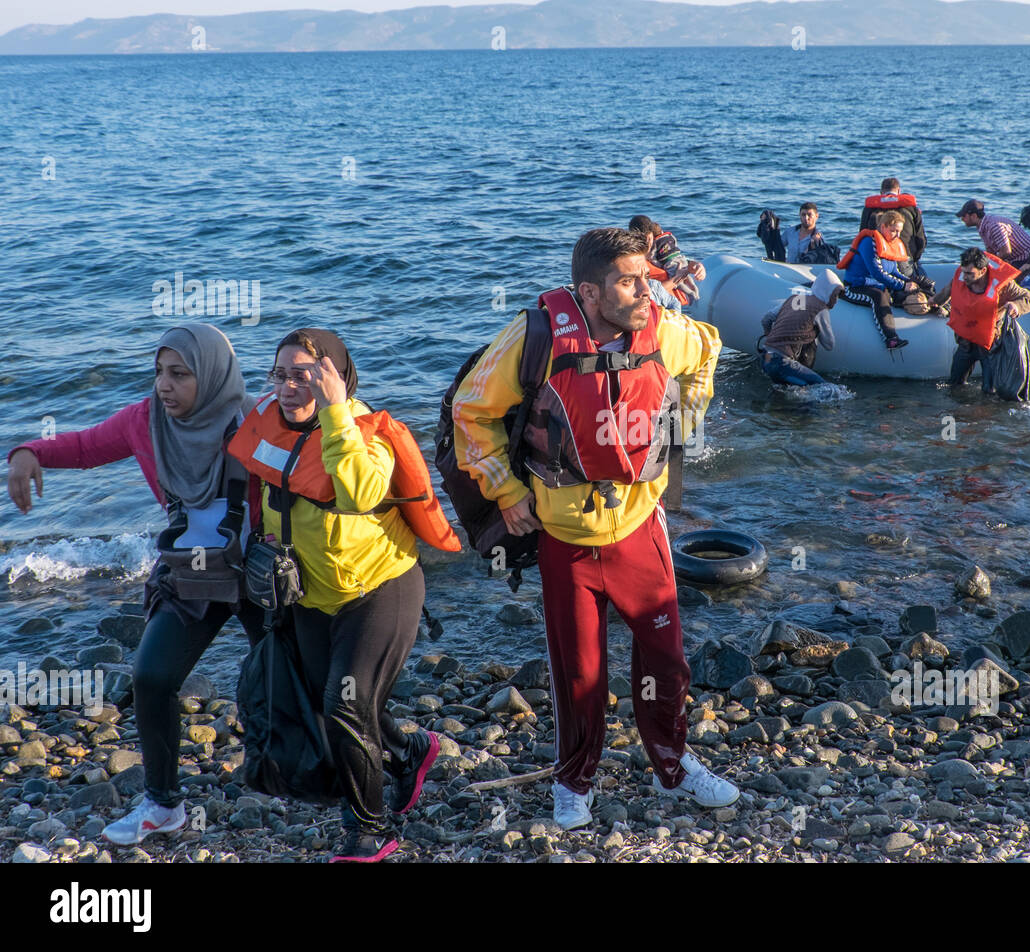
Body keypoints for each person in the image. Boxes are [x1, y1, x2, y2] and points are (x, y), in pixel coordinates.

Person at [451, 227, 737, 832]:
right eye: (628, 282)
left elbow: (708, 347)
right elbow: (470, 411)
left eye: (646, 277)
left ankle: (674, 763)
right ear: (589, 290)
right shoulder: (534, 337)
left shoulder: (662, 327)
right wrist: (506, 492)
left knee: (667, 661)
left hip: (639, 527)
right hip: (566, 541)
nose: (645, 291)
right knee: (579, 674)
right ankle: (573, 780)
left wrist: (687, 418)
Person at [6, 324, 264, 847]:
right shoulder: (145, 422)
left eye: (180, 374)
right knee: (150, 676)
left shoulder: (257, 422)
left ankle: (356, 773)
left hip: (257, 571)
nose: (164, 385)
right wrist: (28, 452)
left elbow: (320, 468)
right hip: (189, 574)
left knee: (296, 678)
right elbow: (83, 446)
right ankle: (163, 804)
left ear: (212, 377)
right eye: (159, 373)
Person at [227, 328, 460, 862]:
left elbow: (360, 493)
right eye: (281, 374)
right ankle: (409, 752)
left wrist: (334, 413)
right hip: (310, 597)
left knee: (344, 701)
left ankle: (367, 832)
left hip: (381, 585)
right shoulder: (268, 423)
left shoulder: (367, 433)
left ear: (336, 376)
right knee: (338, 704)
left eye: (305, 374)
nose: (289, 386)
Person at [931, 248, 1030, 392]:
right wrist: (933, 302)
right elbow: (946, 292)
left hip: (990, 347)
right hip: (965, 344)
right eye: (964, 272)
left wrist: (1016, 306)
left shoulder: (1003, 286)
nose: (965, 276)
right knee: (954, 385)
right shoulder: (961, 278)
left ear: (982, 271)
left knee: (989, 391)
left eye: (970, 273)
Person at [838, 209, 921, 349]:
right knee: (878, 296)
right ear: (883, 227)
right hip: (855, 287)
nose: (897, 235)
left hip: (877, 284)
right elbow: (878, 273)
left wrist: (909, 281)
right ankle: (891, 339)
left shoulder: (889, 244)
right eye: (894, 231)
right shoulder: (868, 243)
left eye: (899, 231)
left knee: (896, 291)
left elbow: (894, 271)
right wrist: (902, 285)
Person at [758, 270, 844, 386]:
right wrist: (815, 330)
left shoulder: (797, 299)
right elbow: (829, 345)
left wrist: (770, 335)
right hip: (782, 362)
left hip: (765, 358)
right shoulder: (820, 308)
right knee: (823, 388)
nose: (836, 300)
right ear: (827, 291)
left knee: (787, 390)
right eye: (835, 295)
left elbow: (766, 319)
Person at [628, 216, 706, 307]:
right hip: (655, 307)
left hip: (673, 304)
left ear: (652, 235)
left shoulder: (657, 249)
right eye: (641, 240)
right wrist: (676, 279)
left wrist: (697, 266)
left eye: (649, 239)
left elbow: (674, 260)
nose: (647, 244)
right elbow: (650, 292)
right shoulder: (634, 262)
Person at [860, 177, 927, 262]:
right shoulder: (912, 209)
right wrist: (915, 259)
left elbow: (862, 235)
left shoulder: (869, 209)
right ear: (898, 191)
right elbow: (921, 241)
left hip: (877, 258)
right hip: (905, 258)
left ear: (881, 192)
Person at [957, 200, 1030, 268]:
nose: (962, 219)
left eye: (964, 216)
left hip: (1025, 257)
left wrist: (987, 264)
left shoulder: (993, 226)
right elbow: (991, 253)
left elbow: (1006, 252)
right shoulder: (983, 226)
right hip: (1014, 258)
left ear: (974, 216)